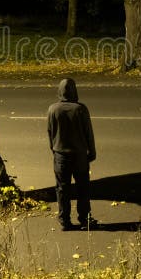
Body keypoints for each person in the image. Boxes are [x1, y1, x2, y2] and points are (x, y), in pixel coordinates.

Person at [47, 78, 99, 231]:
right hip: (79, 155)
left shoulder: (52, 109)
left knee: (62, 189)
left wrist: (54, 149)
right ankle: (84, 218)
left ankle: (64, 220)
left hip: (60, 155)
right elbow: (88, 133)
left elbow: (50, 132)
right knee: (83, 188)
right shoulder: (80, 109)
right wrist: (92, 151)